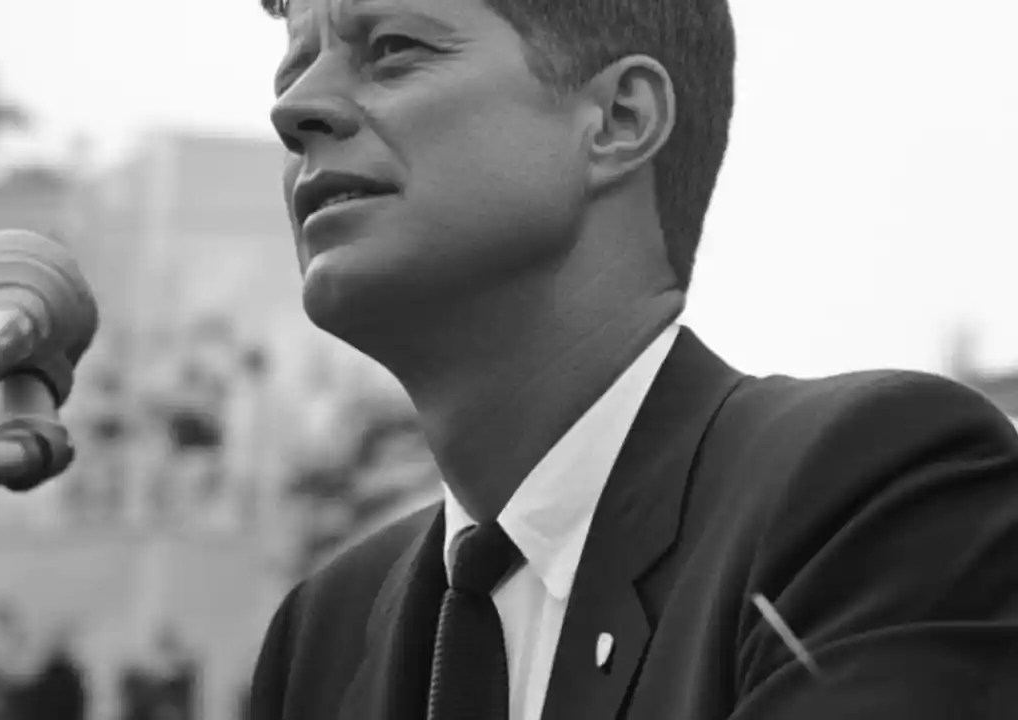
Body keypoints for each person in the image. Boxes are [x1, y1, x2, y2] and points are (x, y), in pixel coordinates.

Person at [248, 0, 1018, 719]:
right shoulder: (323, 635)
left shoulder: (871, 496)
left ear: (619, 119)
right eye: (293, 69)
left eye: (392, 51)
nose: (293, 110)